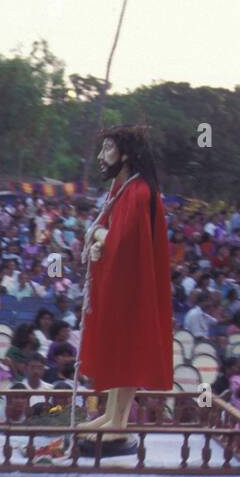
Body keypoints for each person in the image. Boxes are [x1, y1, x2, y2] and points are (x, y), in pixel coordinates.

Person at [77, 125, 173, 447]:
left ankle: (119, 421)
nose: (101, 157)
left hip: (133, 289)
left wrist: (98, 237)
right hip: (118, 284)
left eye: (107, 149)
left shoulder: (139, 191)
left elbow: (121, 240)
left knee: (127, 352)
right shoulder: (121, 189)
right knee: (119, 351)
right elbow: (111, 235)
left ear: (127, 155)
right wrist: (98, 244)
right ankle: (112, 416)